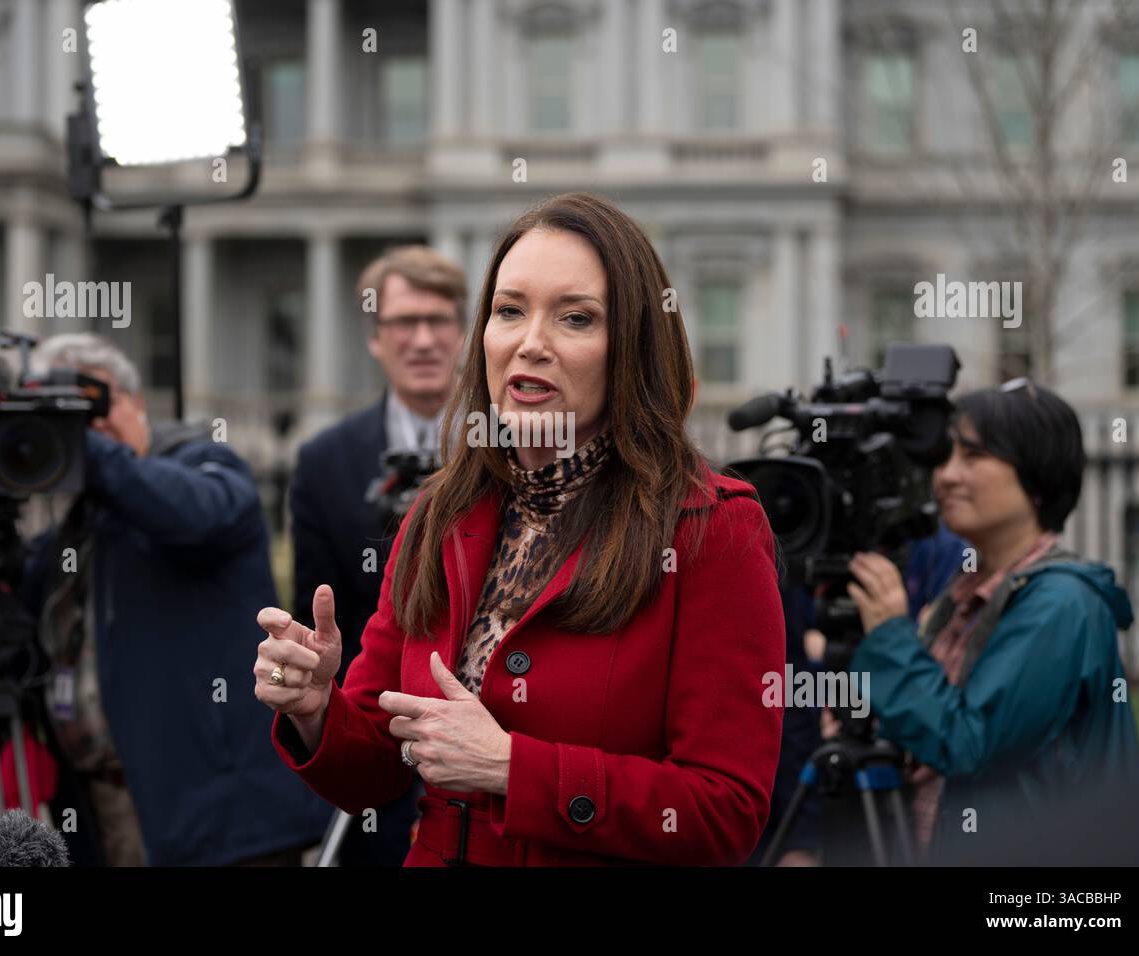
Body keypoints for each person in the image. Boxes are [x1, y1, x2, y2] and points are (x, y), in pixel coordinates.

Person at [256, 192, 786, 866]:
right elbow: (377, 772)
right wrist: (314, 710)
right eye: (509, 311)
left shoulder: (713, 528)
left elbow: (724, 812)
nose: (530, 343)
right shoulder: (439, 512)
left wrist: (515, 768)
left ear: (632, 346)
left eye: (575, 318)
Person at [24, 334, 325, 865]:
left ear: (139, 403)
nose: (85, 426)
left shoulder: (203, 464)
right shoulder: (78, 523)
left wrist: (79, 443)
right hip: (109, 810)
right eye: (64, 415)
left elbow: (190, 513)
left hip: (224, 826)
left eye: (94, 402)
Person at [843, 378, 1139, 860]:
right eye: (946, 457)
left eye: (973, 456)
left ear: (1037, 478)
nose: (946, 476)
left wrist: (891, 637)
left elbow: (969, 742)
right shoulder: (968, 596)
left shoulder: (1062, 603)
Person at [289, 244, 467, 864]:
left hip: (490, 755)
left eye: (437, 320)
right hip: (374, 758)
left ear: (462, 330)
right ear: (375, 338)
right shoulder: (323, 462)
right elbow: (315, 621)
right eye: (402, 323)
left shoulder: (514, 447)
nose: (421, 340)